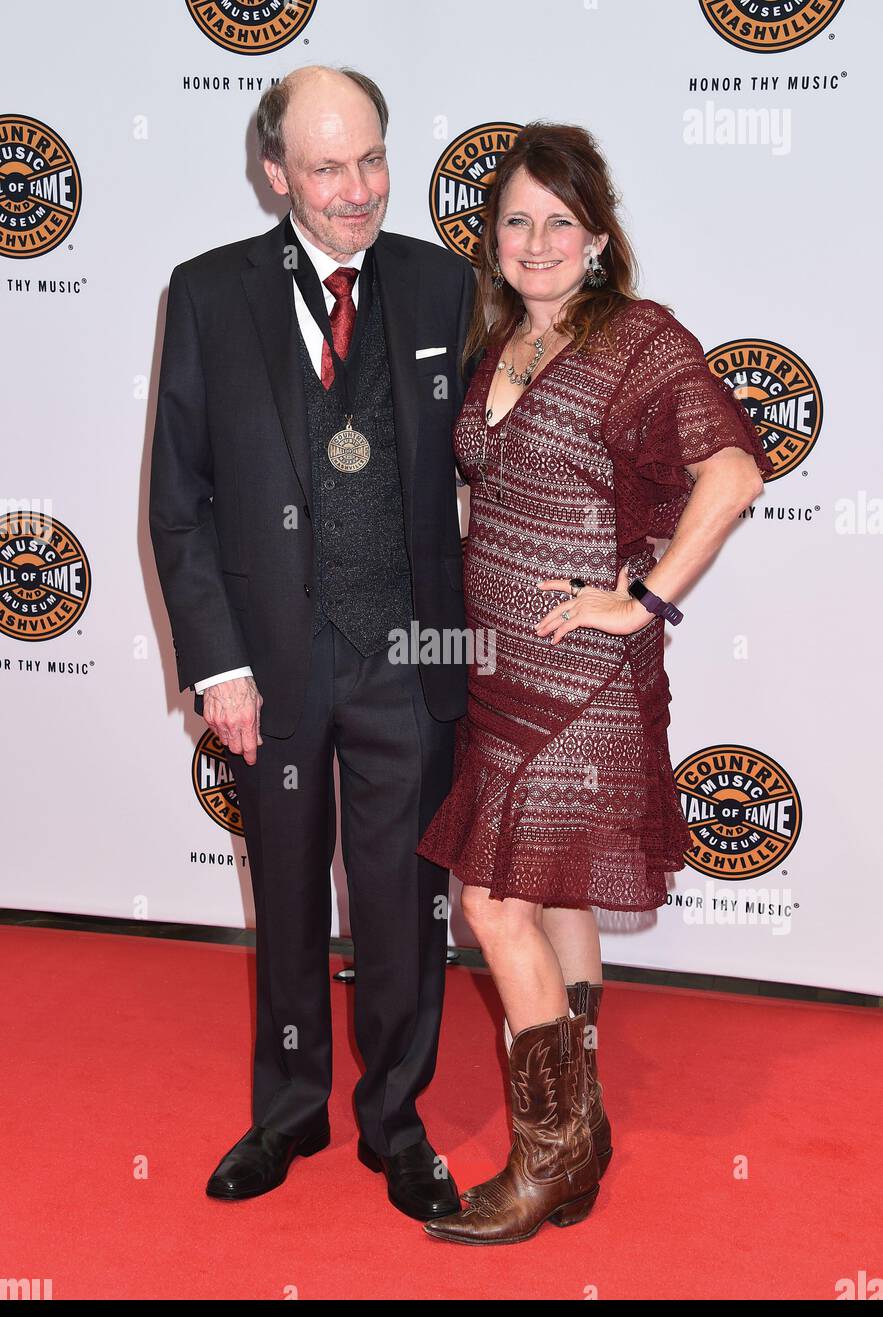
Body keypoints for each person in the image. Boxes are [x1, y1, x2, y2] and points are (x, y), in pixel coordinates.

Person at [416, 121, 774, 1245]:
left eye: (557, 221)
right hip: (498, 670)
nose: (534, 240)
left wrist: (646, 596)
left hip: (585, 674)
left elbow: (732, 467)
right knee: (557, 886)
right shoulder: (499, 346)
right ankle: (588, 1123)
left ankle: (548, 1160)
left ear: (599, 237)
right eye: (515, 220)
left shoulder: (639, 341)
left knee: (494, 899)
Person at [149, 65, 476, 1221]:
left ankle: (396, 1119)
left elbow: (494, 455)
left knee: (401, 903)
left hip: (408, 656)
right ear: (275, 172)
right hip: (273, 662)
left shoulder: (443, 286)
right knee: (284, 894)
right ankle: (289, 1110)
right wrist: (217, 662)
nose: (356, 189)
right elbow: (178, 499)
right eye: (328, 166)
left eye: (372, 158)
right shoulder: (205, 294)